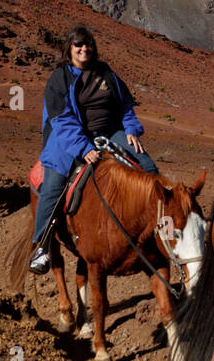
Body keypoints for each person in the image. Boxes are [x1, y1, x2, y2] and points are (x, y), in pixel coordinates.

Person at [28, 26, 158, 274]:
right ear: (70, 48)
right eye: (78, 45)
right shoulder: (59, 79)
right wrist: (82, 147)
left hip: (109, 131)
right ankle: (42, 244)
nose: (84, 49)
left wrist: (130, 129)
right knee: (54, 184)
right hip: (68, 137)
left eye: (88, 45)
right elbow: (61, 118)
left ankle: (157, 229)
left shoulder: (106, 73)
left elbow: (126, 104)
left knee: (148, 167)